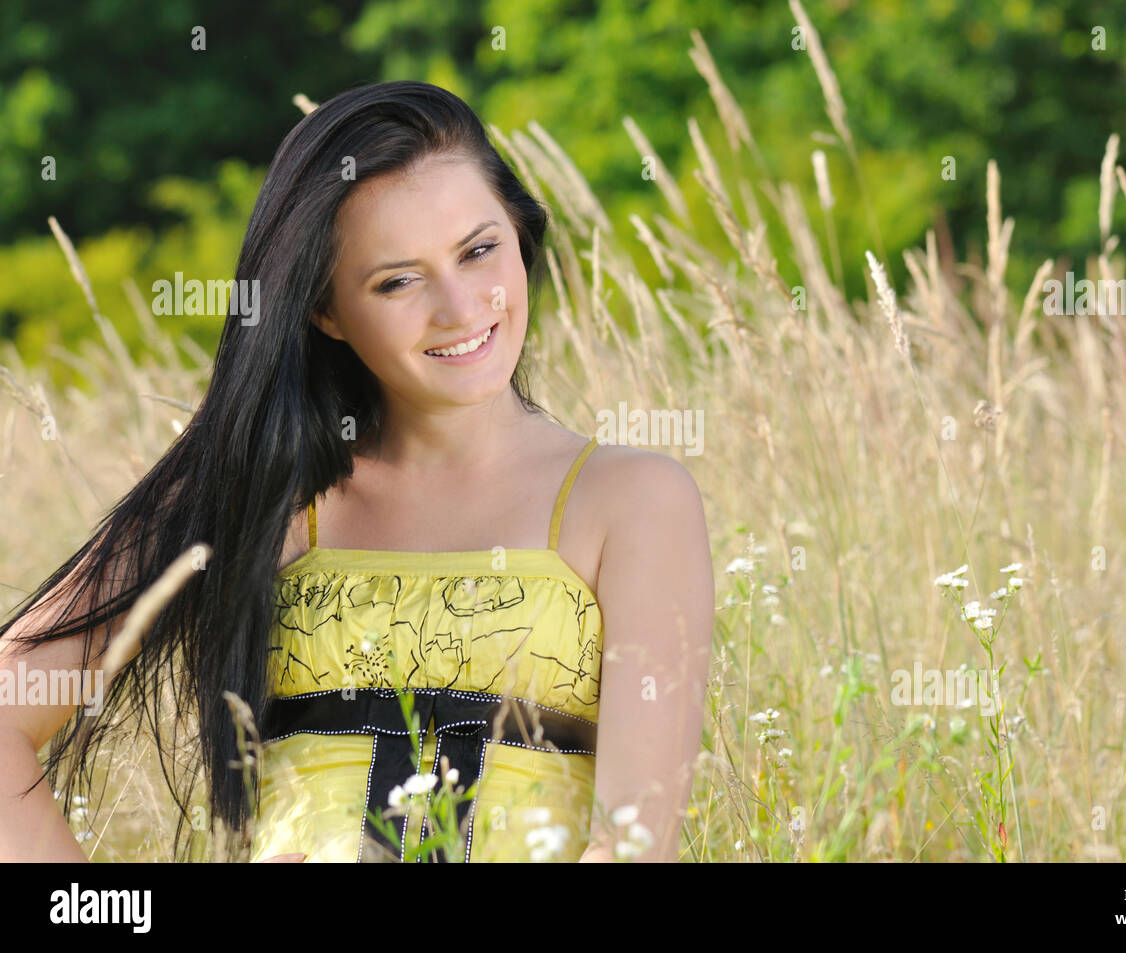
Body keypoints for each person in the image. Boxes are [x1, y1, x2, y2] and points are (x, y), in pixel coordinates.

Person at [0, 81, 715, 862]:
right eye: (397, 281)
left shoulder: (634, 499)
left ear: (520, 233)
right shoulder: (260, 487)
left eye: (479, 250)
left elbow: (635, 843)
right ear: (326, 311)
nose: (459, 306)